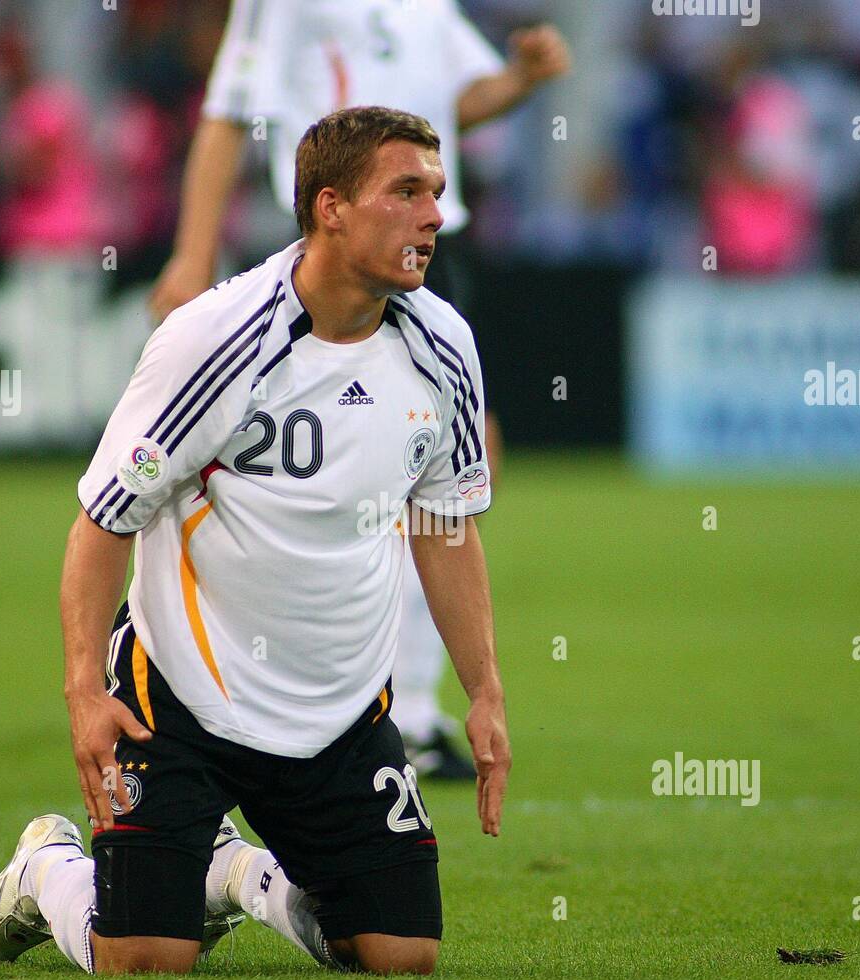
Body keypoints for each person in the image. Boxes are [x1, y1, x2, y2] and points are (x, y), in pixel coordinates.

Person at [0, 107, 510, 977]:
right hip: (182, 698)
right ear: (330, 207)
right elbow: (103, 519)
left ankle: (233, 873)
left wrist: (484, 690)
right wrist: (82, 690)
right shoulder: (215, 338)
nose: (435, 214)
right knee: (144, 960)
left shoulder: (444, 345)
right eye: (406, 192)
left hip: (340, 711)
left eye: (436, 192)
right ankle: (44, 871)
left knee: (401, 956)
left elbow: (444, 525)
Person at [148, 0, 569, 779]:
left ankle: (409, 707)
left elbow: (450, 104)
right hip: (339, 240)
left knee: (449, 470)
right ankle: (262, 689)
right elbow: (229, 112)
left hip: (427, 239)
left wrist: (520, 78)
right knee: (327, 474)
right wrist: (193, 253)